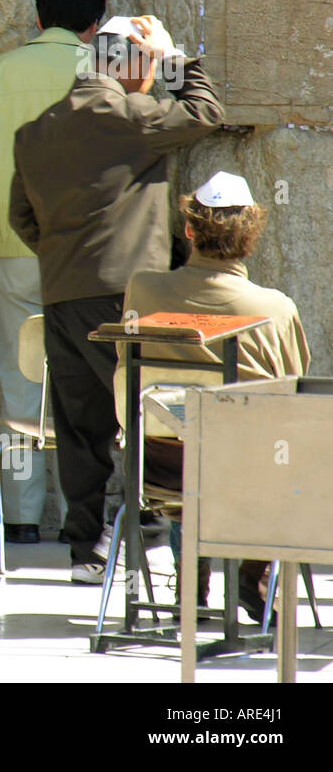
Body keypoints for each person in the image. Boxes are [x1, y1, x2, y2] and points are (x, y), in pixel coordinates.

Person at [8, 15, 224, 582]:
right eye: (148, 67)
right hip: (126, 298)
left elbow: (22, 218)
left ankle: (86, 550)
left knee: (81, 428)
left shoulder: (34, 131)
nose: (153, 78)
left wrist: (64, 256)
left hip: (61, 295)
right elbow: (205, 112)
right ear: (125, 65)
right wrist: (176, 56)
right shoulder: (127, 116)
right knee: (148, 414)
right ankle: (150, 540)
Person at [0, 0, 105, 543]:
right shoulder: (107, 71)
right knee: (96, 385)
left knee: (22, 382)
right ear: (95, 22)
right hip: (93, 257)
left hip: (14, 247)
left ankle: (20, 519)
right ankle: (94, 515)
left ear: (39, 15)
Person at [121, 170, 309, 620]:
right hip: (249, 476)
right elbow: (295, 399)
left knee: (189, 444)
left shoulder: (143, 290)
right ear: (251, 236)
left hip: (157, 468)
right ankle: (252, 576)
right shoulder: (275, 308)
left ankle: (191, 582)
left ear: (189, 229)